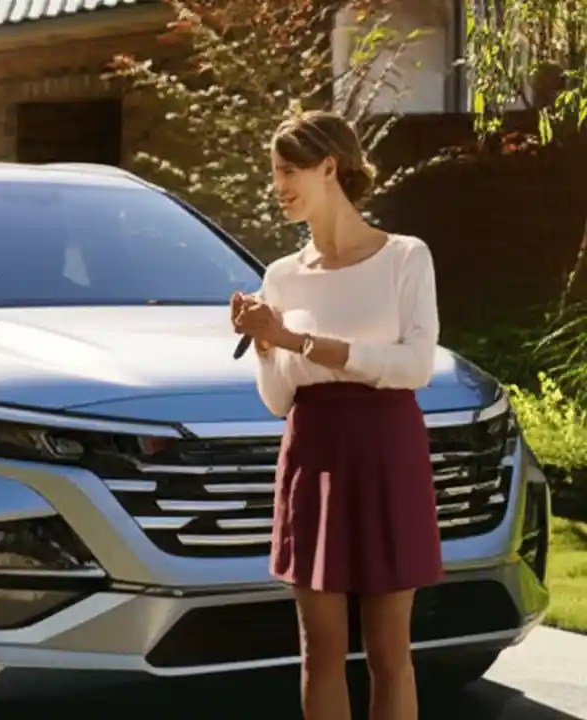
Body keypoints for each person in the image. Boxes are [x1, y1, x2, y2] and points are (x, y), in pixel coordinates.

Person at [230, 110, 443, 720]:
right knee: (320, 650)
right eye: (273, 172)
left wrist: (299, 343)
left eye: (288, 170)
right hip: (312, 454)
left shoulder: (405, 256)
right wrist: (266, 345)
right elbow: (277, 400)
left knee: (388, 651)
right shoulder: (280, 276)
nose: (278, 186)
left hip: (387, 449)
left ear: (331, 167)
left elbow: (416, 367)